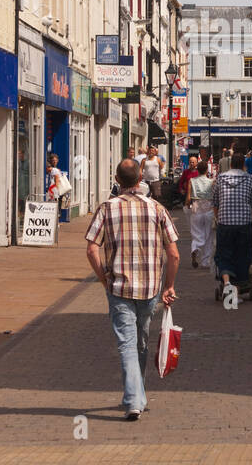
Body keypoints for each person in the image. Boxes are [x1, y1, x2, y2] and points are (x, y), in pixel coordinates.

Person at [84, 159, 180, 421]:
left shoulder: (107, 208)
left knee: (127, 344)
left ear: (117, 179)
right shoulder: (157, 209)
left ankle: (134, 399)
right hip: (149, 288)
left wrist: (103, 277)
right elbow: (173, 254)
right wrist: (169, 285)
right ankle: (136, 396)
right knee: (140, 341)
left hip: (119, 286)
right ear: (141, 179)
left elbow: (92, 248)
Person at [213, 153, 252, 297]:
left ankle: (227, 282)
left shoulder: (220, 178)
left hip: (225, 223)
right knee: (243, 254)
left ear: (230, 164)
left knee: (224, 254)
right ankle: (239, 287)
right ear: (243, 165)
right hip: (243, 223)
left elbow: (215, 203)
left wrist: (218, 217)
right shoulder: (250, 179)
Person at [186, 160, 217, 269]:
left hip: (196, 207)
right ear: (207, 170)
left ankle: (196, 247)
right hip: (208, 208)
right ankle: (205, 261)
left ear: (197, 170)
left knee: (196, 232)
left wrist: (186, 206)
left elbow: (188, 198)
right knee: (208, 235)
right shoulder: (212, 181)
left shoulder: (191, 181)